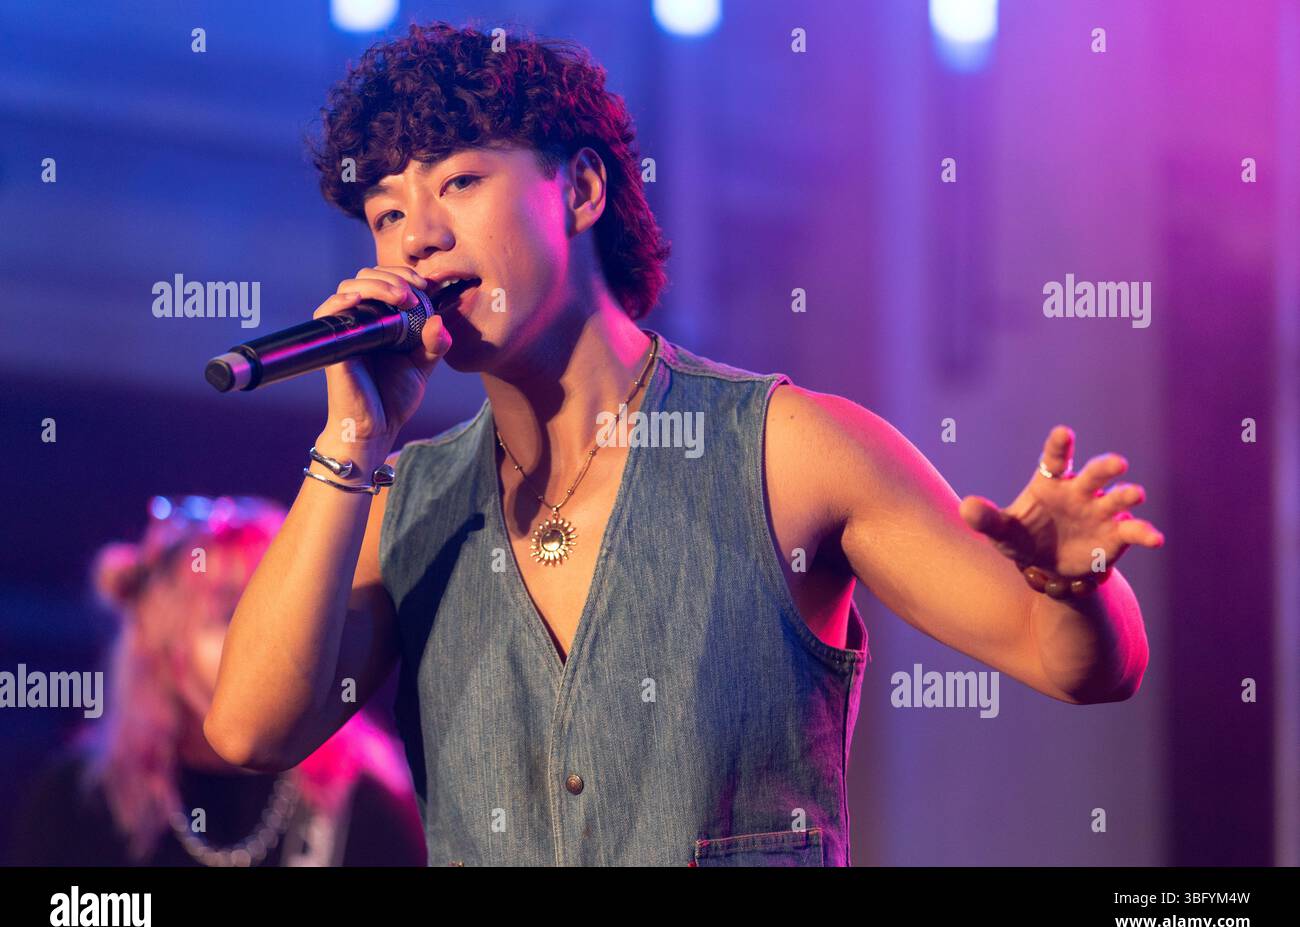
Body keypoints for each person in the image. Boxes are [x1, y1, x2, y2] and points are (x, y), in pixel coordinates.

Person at [206, 21, 1164, 867]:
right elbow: (249, 729)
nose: (415, 237)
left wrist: (1072, 584)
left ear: (579, 190)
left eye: (458, 180)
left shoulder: (789, 450)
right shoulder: (406, 500)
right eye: (385, 214)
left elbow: (1076, 663)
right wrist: (351, 438)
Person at [8, 495, 426, 867]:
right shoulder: (77, 803)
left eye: (278, 615)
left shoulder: (365, 801)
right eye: (229, 616)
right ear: (165, 647)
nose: (263, 641)